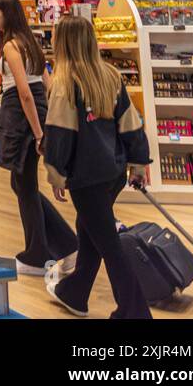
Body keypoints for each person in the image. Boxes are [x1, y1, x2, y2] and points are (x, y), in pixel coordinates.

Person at [43, 16, 153, 319]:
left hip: (85, 176)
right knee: (90, 231)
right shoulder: (110, 76)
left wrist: (56, 174)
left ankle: (135, 313)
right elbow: (131, 123)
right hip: (113, 173)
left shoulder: (65, 83)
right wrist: (138, 163)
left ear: (63, 42)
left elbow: (60, 134)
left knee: (108, 243)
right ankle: (75, 293)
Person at [0, 0, 77, 276]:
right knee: (21, 184)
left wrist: (38, 134)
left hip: (22, 117)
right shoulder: (31, 42)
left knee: (23, 186)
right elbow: (46, 83)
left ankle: (38, 255)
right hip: (34, 112)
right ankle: (65, 244)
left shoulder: (12, 46)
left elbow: (24, 93)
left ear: (7, 14)